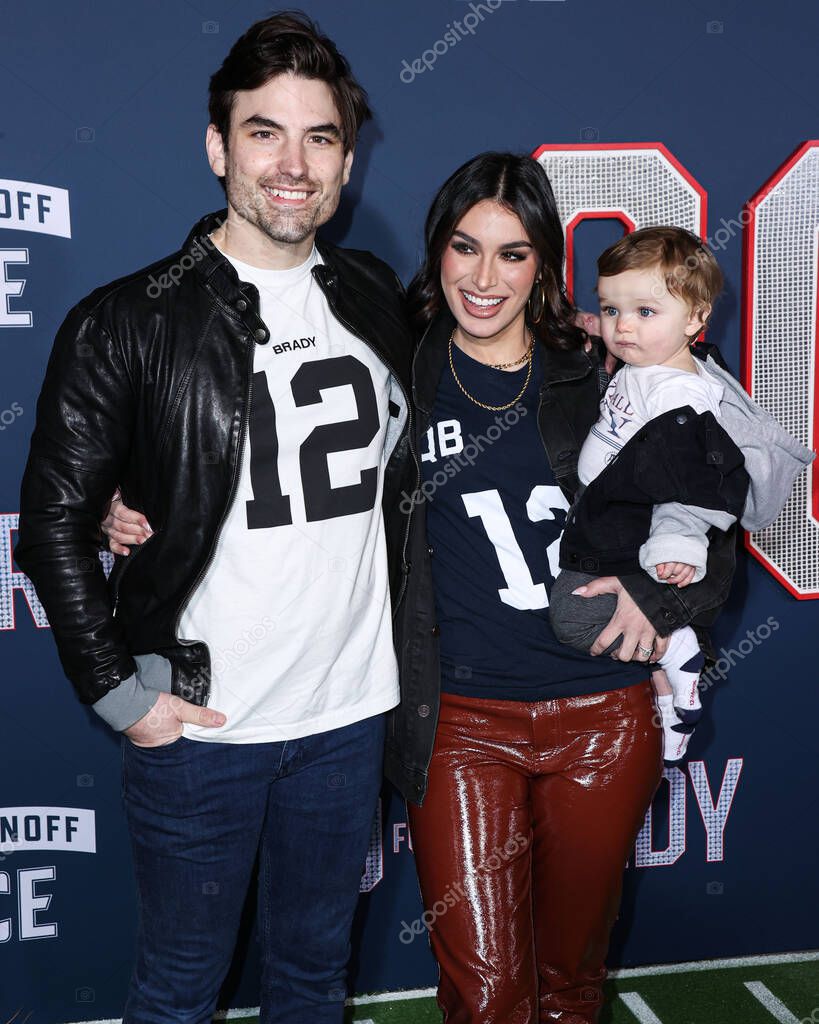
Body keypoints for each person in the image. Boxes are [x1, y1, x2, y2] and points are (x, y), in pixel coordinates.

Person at [15, 12, 418, 1023]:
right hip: (200, 730)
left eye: (320, 137)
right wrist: (120, 696)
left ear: (347, 157)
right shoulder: (129, 318)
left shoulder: (374, 296)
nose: (294, 164)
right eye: (263, 132)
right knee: (180, 989)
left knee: (313, 980)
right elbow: (52, 521)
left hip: (346, 719)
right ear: (217, 146)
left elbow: (458, 414)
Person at [388, 153, 752, 1023]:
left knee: (568, 985)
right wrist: (143, 504)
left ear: (543, 264)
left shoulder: (604, 372)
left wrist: (662, 604)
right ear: (436, 249)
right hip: (459, 721)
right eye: (464, 247)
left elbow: (717, 511)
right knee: (485, 994)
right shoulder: (394, 366)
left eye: (512, 254)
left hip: (600, 716)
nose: (484, 278)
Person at [549, 226, 812, 765]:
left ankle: (682, 649)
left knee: (573, 616)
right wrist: (588, 324)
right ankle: (673, 699)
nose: (623, 327)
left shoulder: (679, 393)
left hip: (644, 535)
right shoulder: (649, 359)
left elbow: (696, 482)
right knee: (605, 617)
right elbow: (623, 328)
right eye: (611, 308)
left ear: (695, 320)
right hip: (619, 513)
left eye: (644, 312)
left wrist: (677, 546)